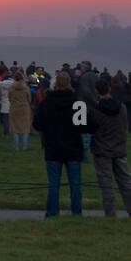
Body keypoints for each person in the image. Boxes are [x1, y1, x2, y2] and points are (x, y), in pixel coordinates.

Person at [32, 72, 88, 218]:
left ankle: (52, 213)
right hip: (73, 147)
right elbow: (84, 126)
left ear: (55, 84)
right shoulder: (77, 103)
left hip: (53, 147)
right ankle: (76, 213)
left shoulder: (47, 102)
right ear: (69, 83)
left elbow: (37, 124)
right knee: (75, 184)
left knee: (53, 184)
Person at [89, 77, 131, 217]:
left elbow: (90, 128)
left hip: (102, 151)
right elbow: (124, 128)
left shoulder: (95, 110)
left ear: (96, 91)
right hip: (119, 149)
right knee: (126, 184)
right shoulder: (122, 108)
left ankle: (110, 214)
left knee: (107, 185)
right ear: (110, 89)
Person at [7, 71, 32, 150]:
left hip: (14, 108)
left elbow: (9, 98)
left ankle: (16, 147)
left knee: (15, 128)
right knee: (25, 128)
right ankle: (24, 146)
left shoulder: (11, 88)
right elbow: (29, 99)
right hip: (24, 109)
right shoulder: (26, 88)